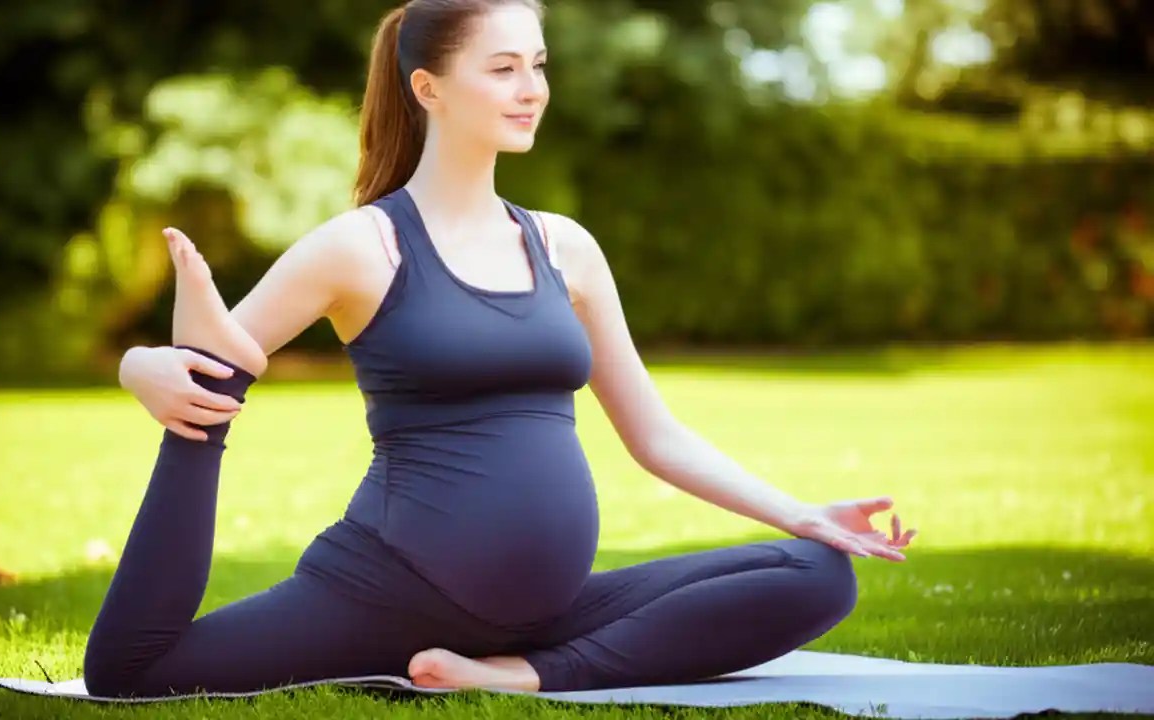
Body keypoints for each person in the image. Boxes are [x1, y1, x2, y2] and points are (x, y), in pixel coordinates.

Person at [82, 0, 917, 699]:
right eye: (504, 68)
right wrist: (140, 365)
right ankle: (504, 668)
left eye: (539, 65)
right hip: (382, 595)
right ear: (428, 87)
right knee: (133, 670)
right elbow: (214, 367)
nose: (532, 90)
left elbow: (654, 437)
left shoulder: (566, 248)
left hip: (546, 610)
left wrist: (802, 513)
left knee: (819, 572)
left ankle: (517, 675)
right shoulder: (360, 247)